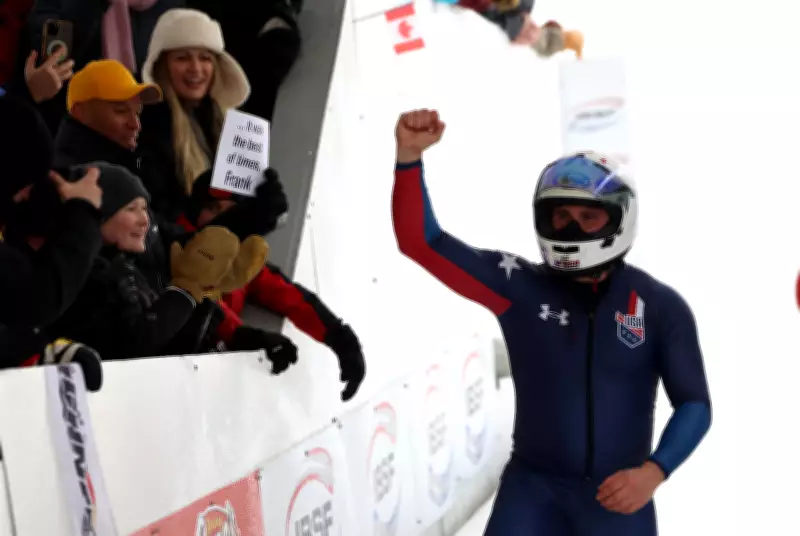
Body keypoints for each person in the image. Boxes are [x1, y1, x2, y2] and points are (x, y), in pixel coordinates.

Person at [391, 109, 711, 535]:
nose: (572, 228)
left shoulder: (659, 306)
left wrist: (654, 471)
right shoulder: (518, 287)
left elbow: (694, 404)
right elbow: (423, 243)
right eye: (561, 216)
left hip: (618, 495)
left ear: (619, 218)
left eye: (589, 217)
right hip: (533, 492)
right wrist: (409, 157)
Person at [54, 58, 289, 284]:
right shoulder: (79, 179)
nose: (135, 123)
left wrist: (241, 212)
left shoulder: (132, 165)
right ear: (80, 112)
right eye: (120, 111)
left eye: (137, 112)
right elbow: (169, 256)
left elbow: (171, 243)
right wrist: (248, 219)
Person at [47, 161, 268, 361]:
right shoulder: (86, 277)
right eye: (131, 209)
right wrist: (188, 287)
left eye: (145, 209)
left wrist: (207, 289)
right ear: (100, 215)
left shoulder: (133, 266)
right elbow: (135, 346)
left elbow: (176, 344)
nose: (145, 220)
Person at [179, 171, 367, 401]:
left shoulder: (238, 257)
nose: (222, 217)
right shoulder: (176, 247)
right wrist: (247, 337)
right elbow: (197, 296)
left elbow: (287, 295)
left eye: (228, 210)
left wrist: (341, 338)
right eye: (214, 208)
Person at [137, 7, 252, 223]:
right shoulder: (146, 128)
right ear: (163, 66)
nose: (196, 68)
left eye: (205, 58)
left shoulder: (228, 123)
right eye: (182, 58)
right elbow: (156, 212)